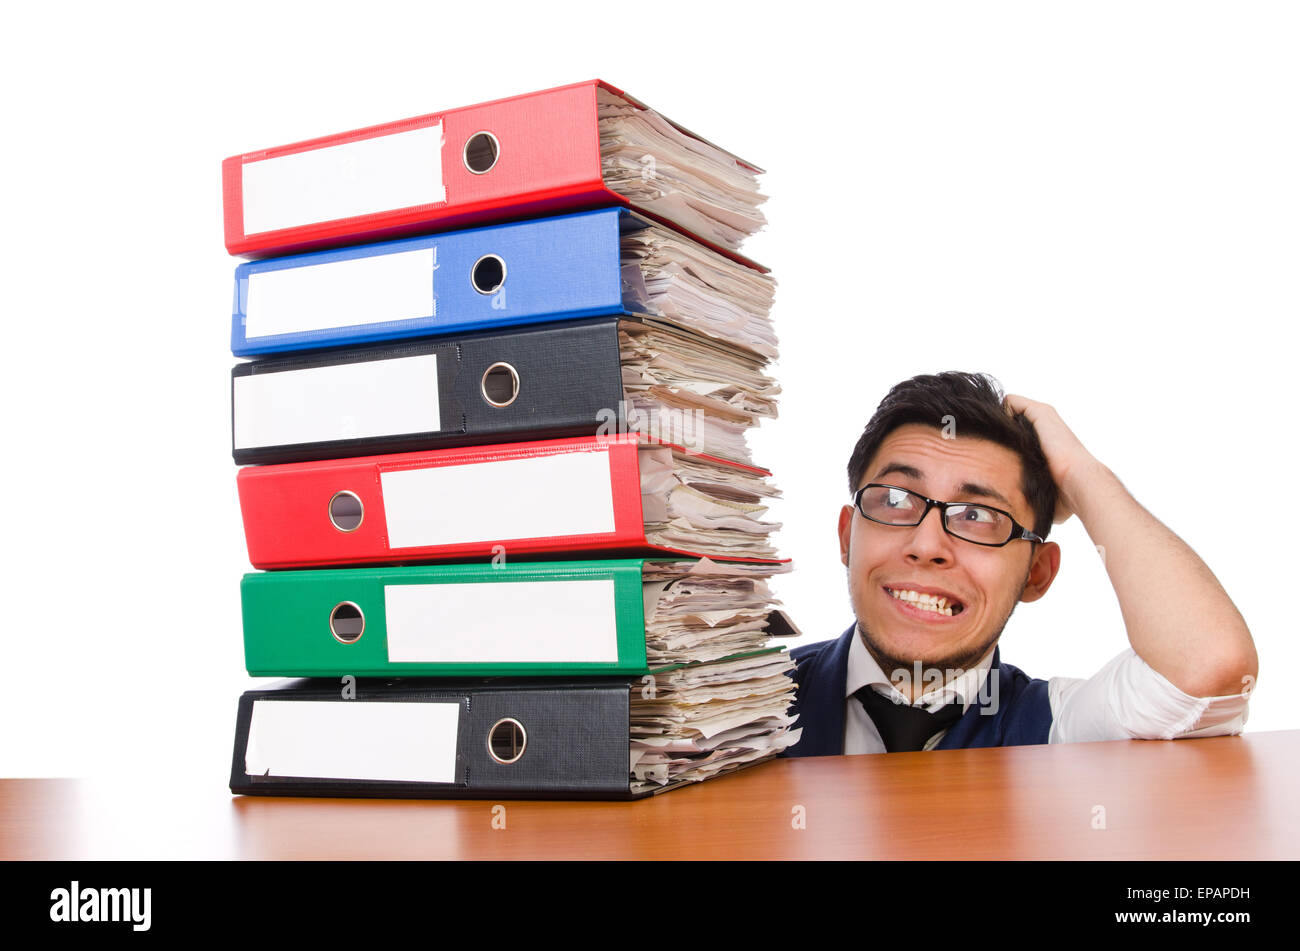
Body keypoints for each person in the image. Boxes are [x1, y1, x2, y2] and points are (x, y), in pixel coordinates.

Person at [783, 371, 1257, 756]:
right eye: (896, 500)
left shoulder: (1058, 730)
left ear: (1037, 573)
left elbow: (1209, 667)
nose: (927, 544)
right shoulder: (738, 703)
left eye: (977, 515)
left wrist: (1079, 473)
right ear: (847, 536)